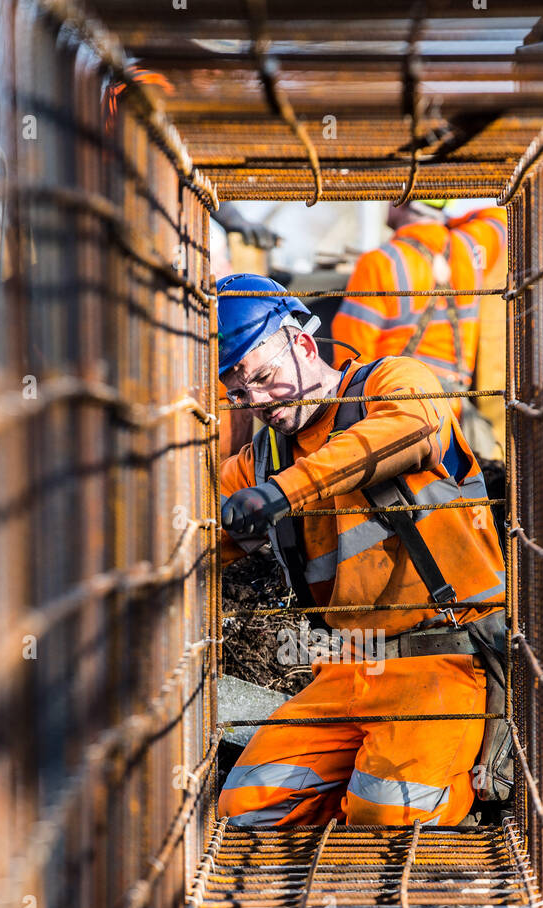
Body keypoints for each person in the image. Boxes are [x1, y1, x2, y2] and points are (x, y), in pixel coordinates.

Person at [215, 273, 507, 828]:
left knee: (391, 818)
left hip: (444, 662)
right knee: (248, 808)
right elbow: (197, 532)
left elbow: (412, 425)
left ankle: (461, 795)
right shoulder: (261, 460)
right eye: (238, 392)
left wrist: (281, 494)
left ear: (301, 343)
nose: (256, 402)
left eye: (263, 377)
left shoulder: (391, 384)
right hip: (346, 670)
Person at [332, 199, 507, 468]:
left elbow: (350, 359)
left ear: (399, 201)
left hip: (400, 417)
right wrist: (442, 221)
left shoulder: (379, 262)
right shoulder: (472, 247)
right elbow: (500, 216)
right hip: (456, 413)